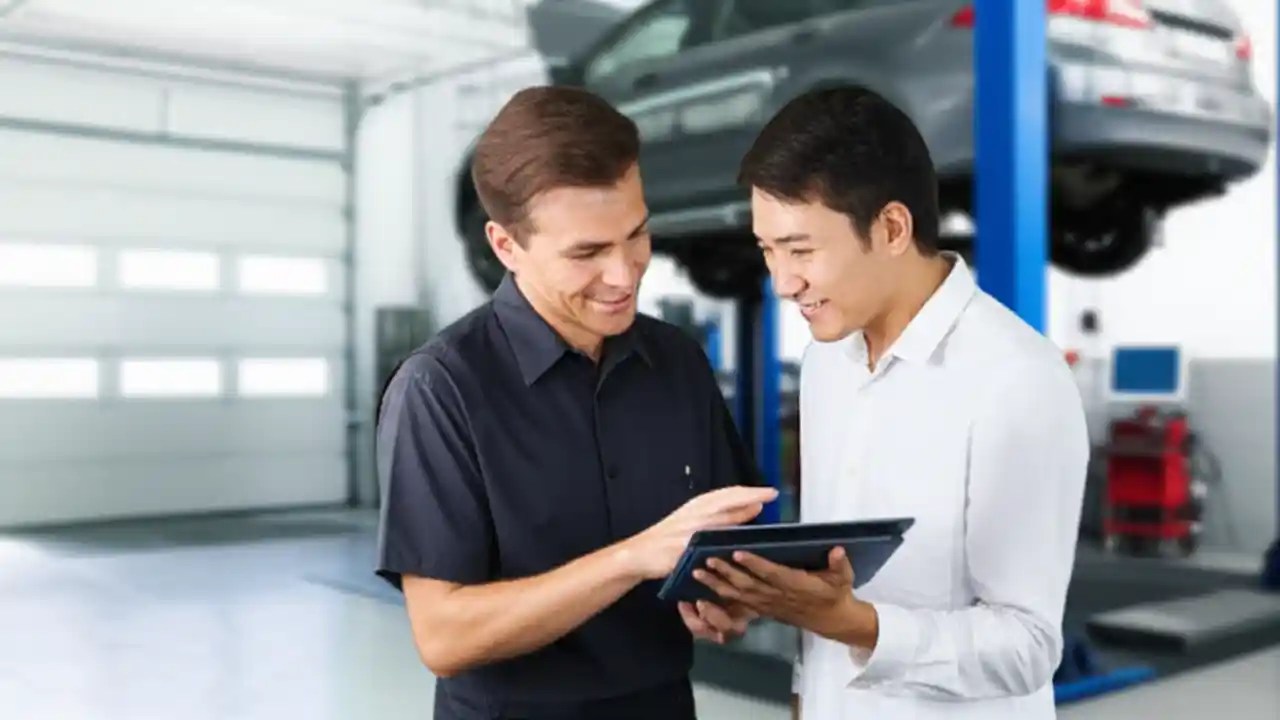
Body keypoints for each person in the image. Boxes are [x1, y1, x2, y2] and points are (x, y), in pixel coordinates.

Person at [373, 85, 775, 720]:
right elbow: (444, 636)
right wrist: (632, 558)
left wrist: (733, 595)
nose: (625, 273)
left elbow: (719, 547)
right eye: (587, 253)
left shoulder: (679, 364)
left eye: (637, 234)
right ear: (506, 246)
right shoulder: (440, 389)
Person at [693, 85, 1090, 719]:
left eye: (801, 250)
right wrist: (783, 613)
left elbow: (1028, 645)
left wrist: (857, 624)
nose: (782, 282)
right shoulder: (828, 361)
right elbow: (831, 576)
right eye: (768, 251)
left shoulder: (1016, 380)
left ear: (892, 228)